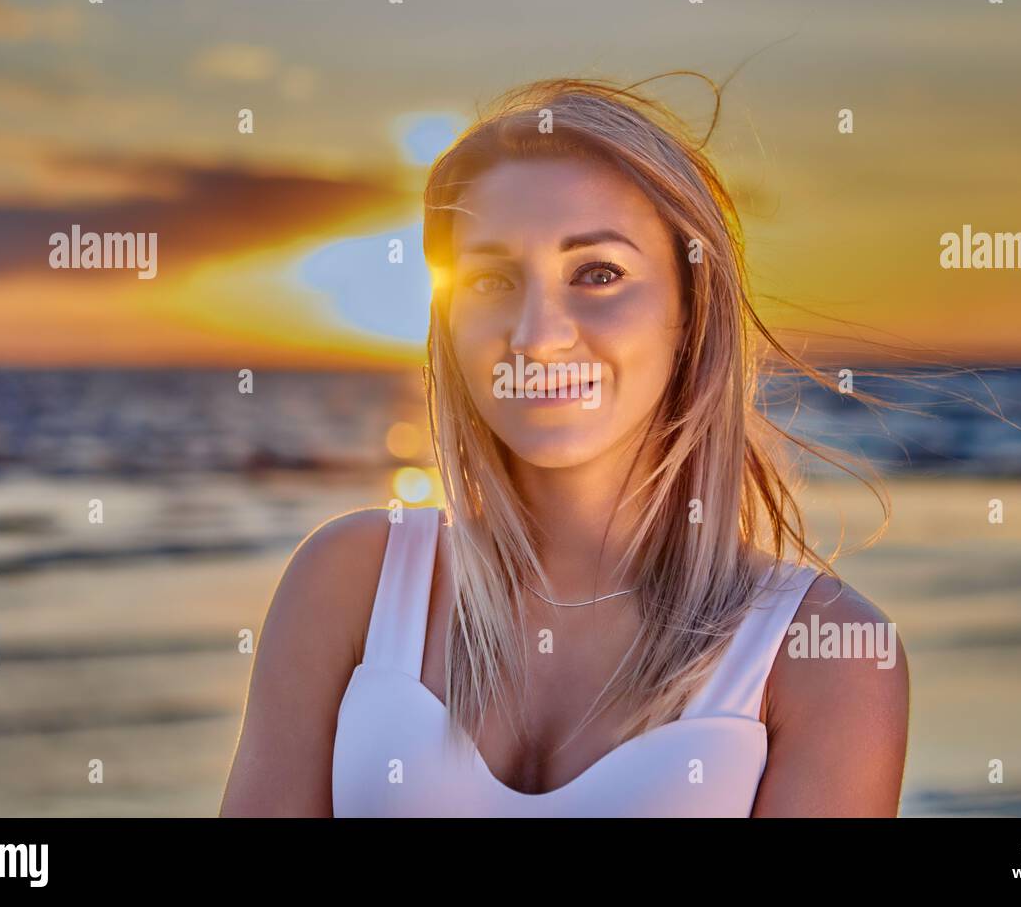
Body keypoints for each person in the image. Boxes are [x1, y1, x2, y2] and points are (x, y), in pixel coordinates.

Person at [220, 77, 909, 817]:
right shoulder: (351, 583)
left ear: (690, 311)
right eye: (492, 279)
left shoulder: (824, 654)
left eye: (598, 274)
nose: (537, 336)